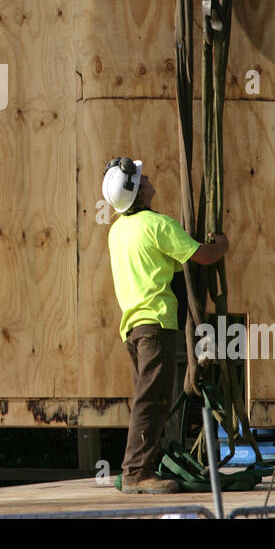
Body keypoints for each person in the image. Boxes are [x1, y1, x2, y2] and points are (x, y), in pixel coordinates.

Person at [101, 156, 229, 494]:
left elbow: (165, 265)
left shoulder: (118, 231)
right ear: (139, 193)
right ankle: (136, 472)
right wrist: (221, 245)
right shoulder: (158, 225)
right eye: (143, 179)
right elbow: (201, 256)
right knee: (152, 401)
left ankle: (145, 463)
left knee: (148, 398)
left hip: (132, 328)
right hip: (156, 325)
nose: (148, 179)